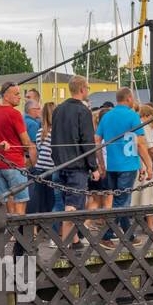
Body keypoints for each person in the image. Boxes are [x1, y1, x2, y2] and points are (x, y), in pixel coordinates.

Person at [95, 87, 150, 243]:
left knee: (120, 200)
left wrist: (101, 163)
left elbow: (97, 141)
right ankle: (106, 236)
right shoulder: (133, 116)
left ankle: (129, 235)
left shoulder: (107, 116)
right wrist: (148, 165)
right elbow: (139, 144)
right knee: (122, 202)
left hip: (111, 165)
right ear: (129, 98)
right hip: (128, 165)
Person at [49, 76, 96, 244]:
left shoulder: (58, 109)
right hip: (77, 165)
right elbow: (87, 141)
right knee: (73, 206)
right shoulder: (83, 111)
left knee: (64, 203)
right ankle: (65, 246)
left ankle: (74, 241)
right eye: (88, 88)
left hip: (60, 164)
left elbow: (53, 137)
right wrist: (94, 166)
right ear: (83, 89)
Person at [0, 82, 35, 216]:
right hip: (14, 163)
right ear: (6, 96)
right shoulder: (15, 114)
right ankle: (18, 235)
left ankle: (8, 234)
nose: (20, 97)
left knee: (4, 202)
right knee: (20, 202)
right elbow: (25, 141)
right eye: (16, 94)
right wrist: (31, 150)